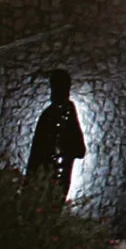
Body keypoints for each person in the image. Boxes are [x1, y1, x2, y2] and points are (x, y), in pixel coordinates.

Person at [26, 69, 85, 201]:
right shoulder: (49, 114)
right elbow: (38, 148)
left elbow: (78, 146)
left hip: (59, 168)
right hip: (49, 169)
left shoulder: (66, 110)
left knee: (54, 200)